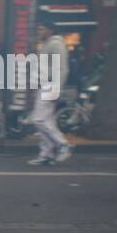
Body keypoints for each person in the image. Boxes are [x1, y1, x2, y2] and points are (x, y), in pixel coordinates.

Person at [27, 21, 72, 167]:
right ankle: (46, 155)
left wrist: (56, 89)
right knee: (48, 121)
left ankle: (63, 144)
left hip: (50, 86)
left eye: (41, 29)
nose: (39, 32)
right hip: (44, 86)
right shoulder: (47, 45)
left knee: (38, 120)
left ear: (50, 30)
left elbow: (62, 69)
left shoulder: (56, 44)